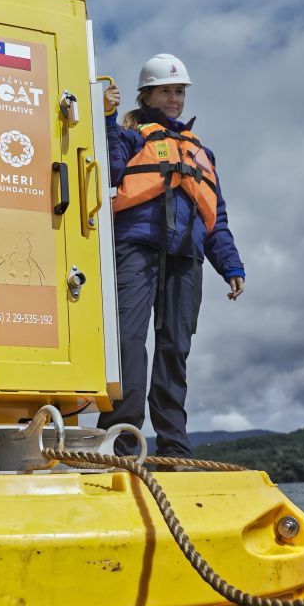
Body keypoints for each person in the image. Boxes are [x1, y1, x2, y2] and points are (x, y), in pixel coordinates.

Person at [97, 53, 245, 457]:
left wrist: (229, 264)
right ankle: (120, 440)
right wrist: (107, 119)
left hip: (186, 256)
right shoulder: (130, 136)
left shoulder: (203, 154)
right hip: (136, 247)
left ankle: (175, 447)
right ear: (147, 96)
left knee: (175, 347)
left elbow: (217, 216)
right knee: (129, 341)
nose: (175, 98)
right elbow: (108, 174)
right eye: (167, 90)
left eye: (179, 91)